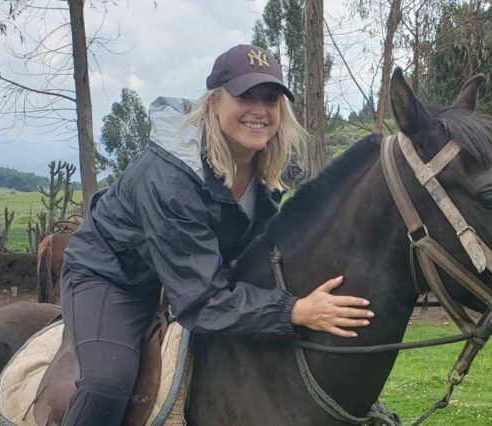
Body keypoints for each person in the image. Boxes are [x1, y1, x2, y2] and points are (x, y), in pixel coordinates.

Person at [59, 44, 374, 426]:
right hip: (113, 276)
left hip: (188, 271)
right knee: (106, 382)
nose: (259, 110)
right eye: (245, 96)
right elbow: (201, 301)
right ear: (213, 103)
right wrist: (292, 310)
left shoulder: (269, 167)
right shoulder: (169, 178)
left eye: (270, 98)